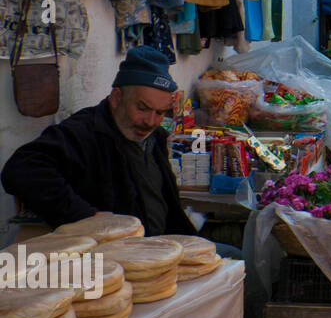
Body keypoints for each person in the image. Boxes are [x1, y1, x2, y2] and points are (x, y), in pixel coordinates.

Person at [1, 46, 229, 246]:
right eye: (141, 107)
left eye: (159, 113)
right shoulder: (85, 132)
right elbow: (21, 168)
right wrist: (86, 215)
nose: (150, 121)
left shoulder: (155, 136)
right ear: (116, 97)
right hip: (119, 256)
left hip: (166, 246)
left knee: (234, 262)